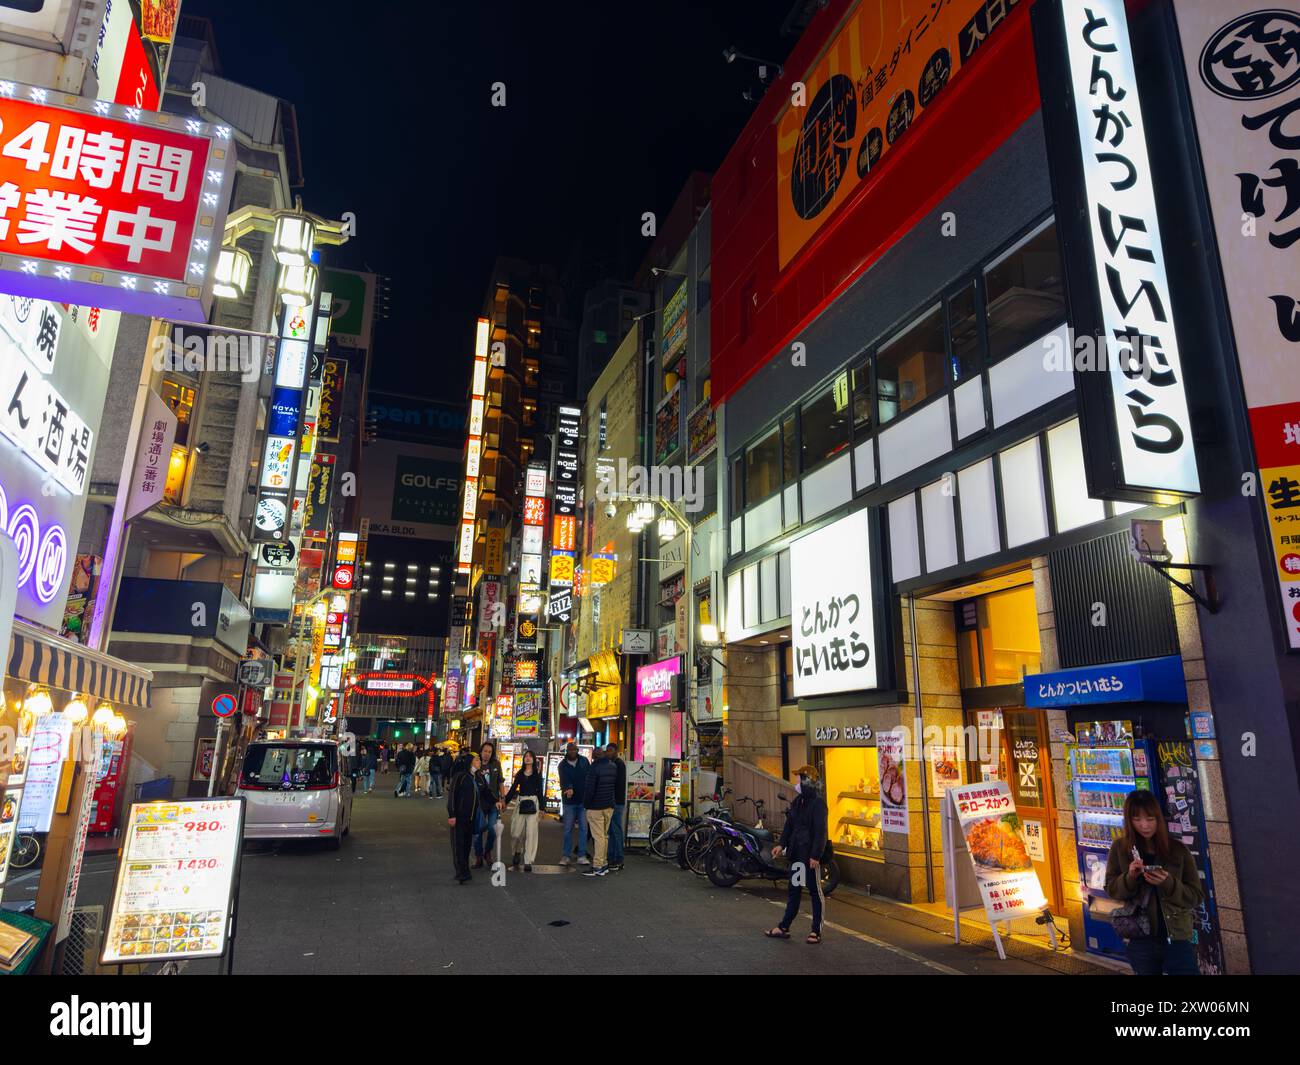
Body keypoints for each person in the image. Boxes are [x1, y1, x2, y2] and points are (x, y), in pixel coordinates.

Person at [1105, 789, 1203, 975]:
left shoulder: (1178, 850)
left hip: (1176, 937)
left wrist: (1168, 882)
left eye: (1150, 819)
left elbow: (1195, 896)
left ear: (1158, 818)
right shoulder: (1120, 848)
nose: (1144, 826)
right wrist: (1130, 877)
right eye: (1137, 820)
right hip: (1140, 937)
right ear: (1129, 820)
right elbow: (1111, 889)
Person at [765, 765, 828, 944]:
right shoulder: (798, 801)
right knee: (794, 891)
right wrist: (781, 844)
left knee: (815, 892)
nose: (797, 783)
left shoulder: (818, 804)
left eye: (800, 779)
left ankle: (816, 930)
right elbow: (789, 825)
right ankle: (784, 926)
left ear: (808, 781)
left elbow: (820, 832)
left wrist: (816, 855)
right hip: (797, 855)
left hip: (809, 856)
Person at [503, 749, 545, 871]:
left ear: (533, 759)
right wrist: (505, 802)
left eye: (530, 756)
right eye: (526, 756)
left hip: (533, 803)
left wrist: (542, 808)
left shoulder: (537, 775)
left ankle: (528, 861)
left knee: (531, 833)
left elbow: (540, 792)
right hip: (520, 803)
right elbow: (513, 789)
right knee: (516, 833)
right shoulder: (520, 774)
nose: (527, 758)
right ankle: (517, 851)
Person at [581, 747, 618, 878]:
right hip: (609, 806)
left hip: (595, 807)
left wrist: (586, 804)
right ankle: (604, 863)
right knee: (604, 836)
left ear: (594, 756)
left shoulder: (593, 768)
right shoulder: (613, 766)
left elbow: (589, 789)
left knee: (598, 837)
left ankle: (597, 866)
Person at [446, 752, 479, 883]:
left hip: (470, 818)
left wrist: (496, 801)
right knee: (458, 845)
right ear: (470, 762)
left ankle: (465, 871)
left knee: (466, 845)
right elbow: (452, 796)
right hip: (459, 817)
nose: (479, 762)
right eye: (477, 760)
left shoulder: (476, 777)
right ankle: (461, 872)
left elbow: (485, 792)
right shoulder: (460, 777)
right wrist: (452, 814)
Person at [472, 741, 504, 868]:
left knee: (492, 828)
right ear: (481, 751)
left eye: (490, 752)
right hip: (478, 802)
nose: (487, 754)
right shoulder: (475, 764)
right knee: (478, 830)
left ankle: (488, 851)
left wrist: (503, 799)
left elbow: (500, 782)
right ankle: (479, 856)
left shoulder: (496, 764)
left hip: (494, 802)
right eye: (485, 751)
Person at [557, 743, 590, 866]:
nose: (572, 752)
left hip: (583, 800)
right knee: (567, 829)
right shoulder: (562, 765)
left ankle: (581, 855)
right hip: (569, 802)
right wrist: (568, 788)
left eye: (574, 750)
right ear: (567, 751)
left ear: (577, 750)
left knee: (583, 829)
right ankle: (566, 855)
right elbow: (563, 780)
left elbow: (589, 776)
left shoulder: (584, 761)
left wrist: (589, 793)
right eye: (569, 750)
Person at [605, 742, 627, 871]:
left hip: (616, 802)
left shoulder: (618, 764)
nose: (608, 752)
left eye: (610, 750)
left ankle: (618, 858)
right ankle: (612, 857)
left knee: (616, 830)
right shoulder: (614, 764)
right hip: (613, 802)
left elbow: (616, 784)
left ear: (616, 751)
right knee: (611, 831)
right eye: (607, 750)